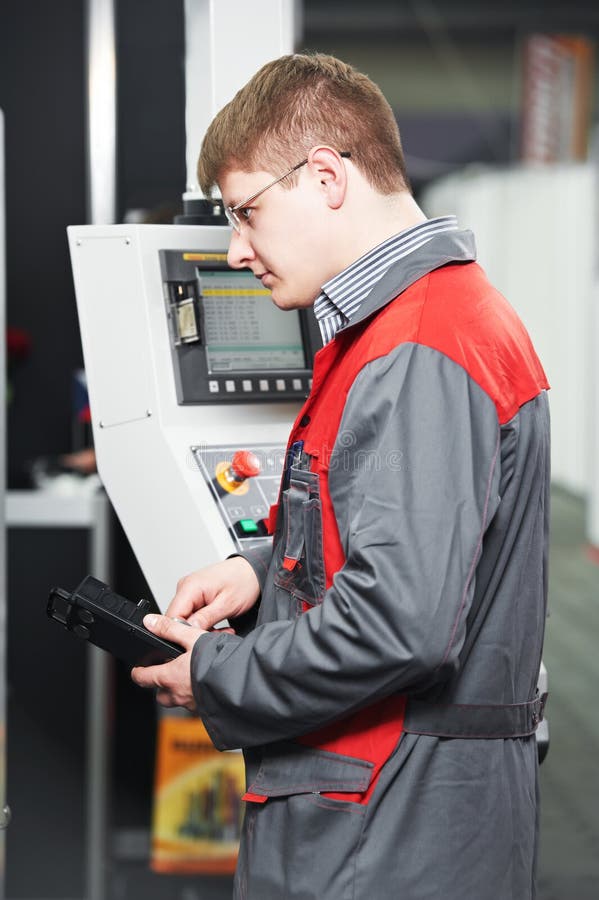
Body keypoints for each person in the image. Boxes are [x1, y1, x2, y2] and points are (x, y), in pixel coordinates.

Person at [132, 53, 550, 900]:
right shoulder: (419, 326)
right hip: (398, 815)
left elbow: (400, 622)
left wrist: (213, 676)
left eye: (246, 213)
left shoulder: (417, 348)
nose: (239, 250)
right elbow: (394, 538)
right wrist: (256, 575)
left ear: (324, 175)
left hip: (389, 831)